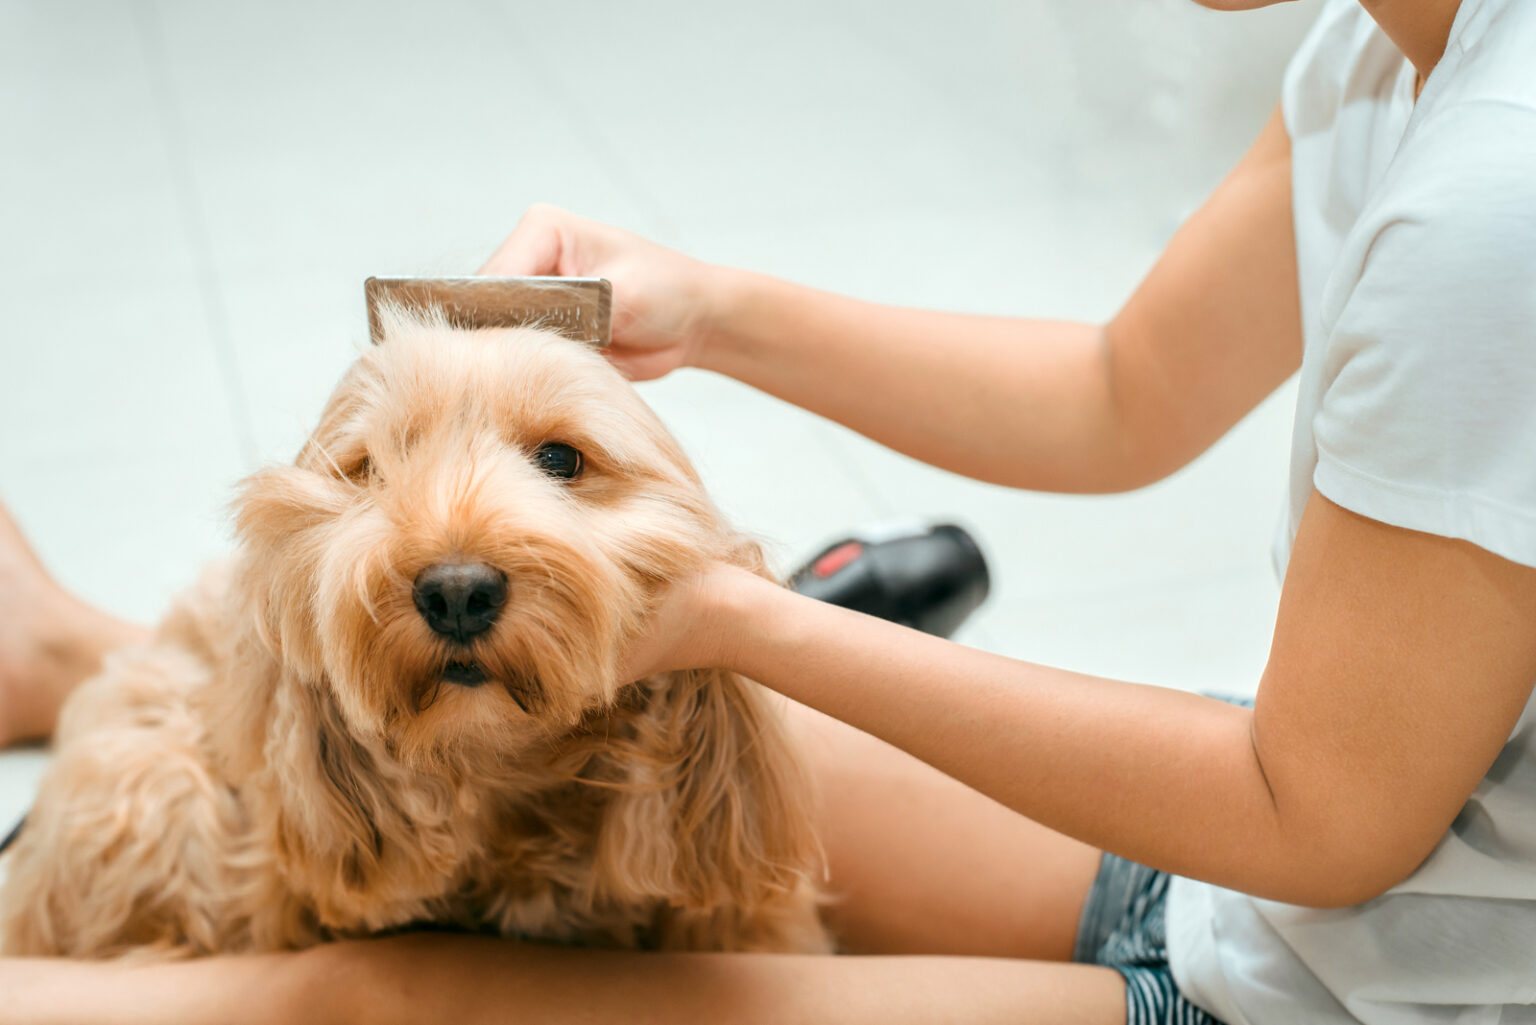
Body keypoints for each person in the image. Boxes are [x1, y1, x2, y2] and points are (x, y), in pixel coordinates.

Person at [3, 0, 1535, 1020]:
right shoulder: (1387, 43)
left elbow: (1317, 825)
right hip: (1265, 861)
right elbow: (1120, 391)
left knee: (361, 994)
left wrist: (744, 617)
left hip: (1377, 979)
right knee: (552, 765)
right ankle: (86, 652)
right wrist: (711, 306)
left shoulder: (1495, 203)